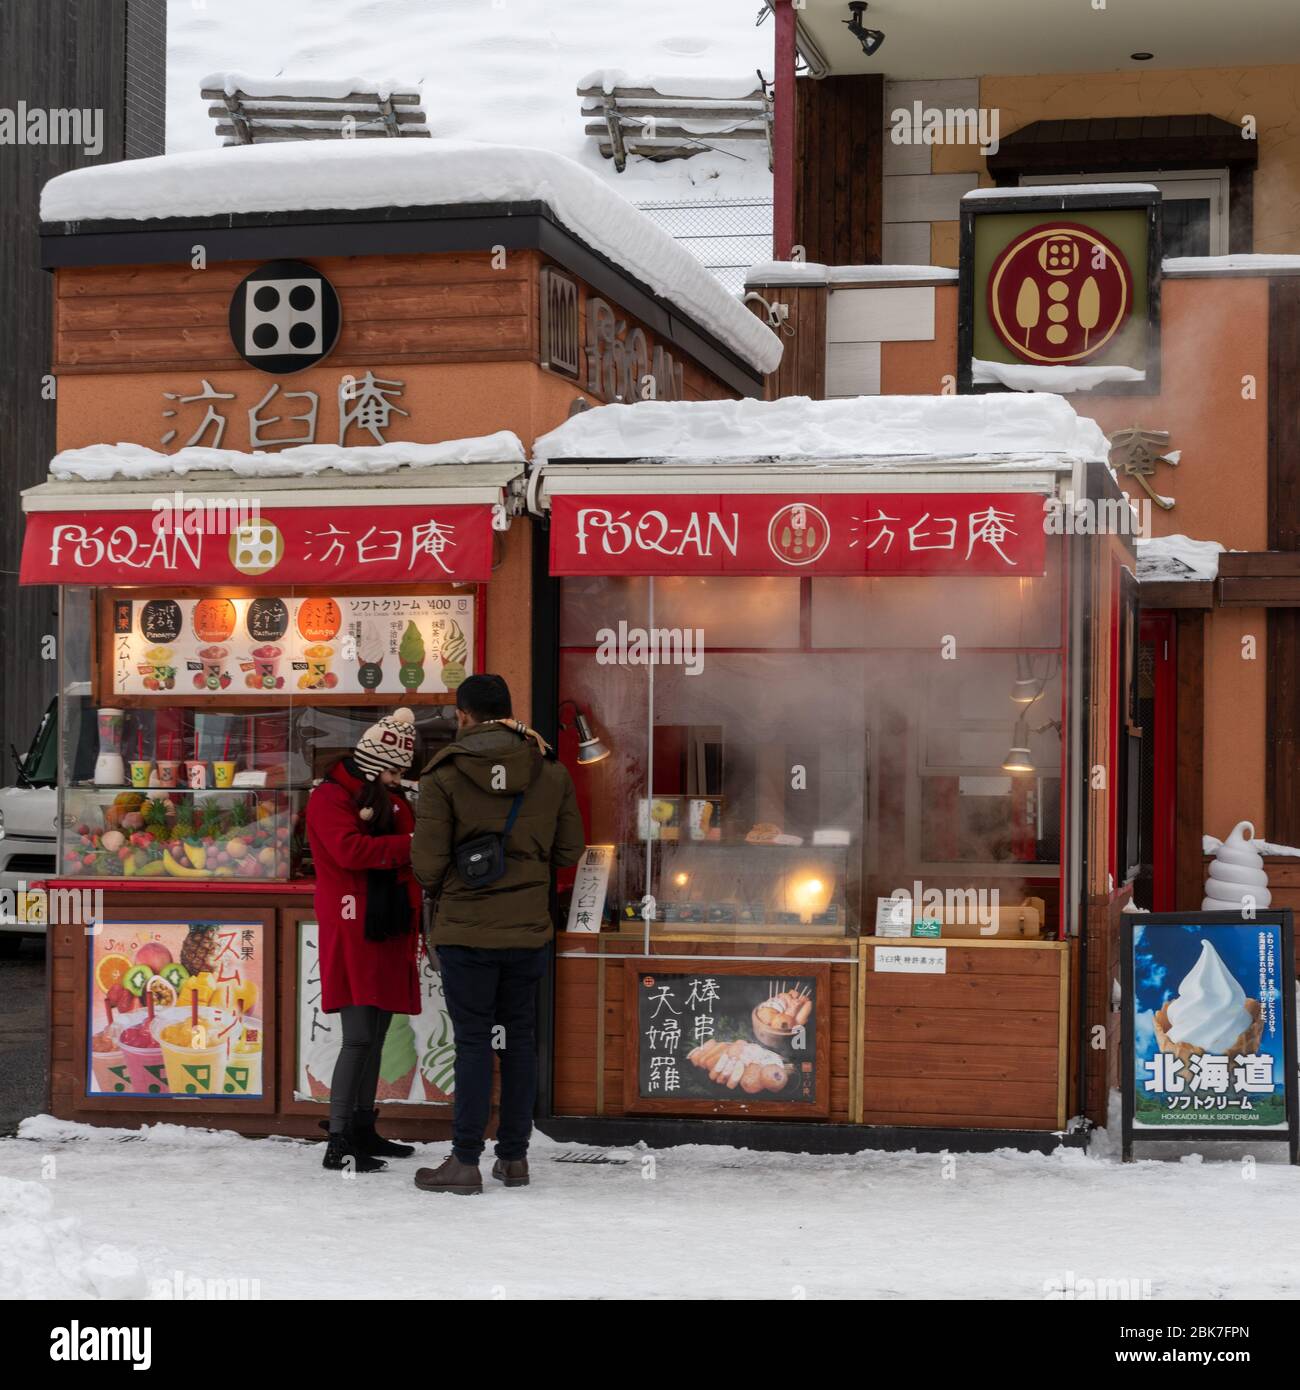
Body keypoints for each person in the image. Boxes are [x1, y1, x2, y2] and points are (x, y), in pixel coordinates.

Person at [411, 674, 584, 1195]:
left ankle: (465, 1162)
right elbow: (570, 851)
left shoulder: (442, 776)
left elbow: (426, 867)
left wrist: (464, 878)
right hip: (528, 930)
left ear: (463, 715)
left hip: (465, 933)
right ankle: (514, 1159)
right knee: (520, 1041)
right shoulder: (549, 771)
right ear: (508, 710)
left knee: (472, 1044)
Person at [305, 707, 422, 1173]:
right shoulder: (330, 798)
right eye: (393, 771)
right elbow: (350, 851)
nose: (399, 780)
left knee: (376, 1034)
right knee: (356, 1037)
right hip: (353, 923)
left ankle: (363, 1127)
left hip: (386, 922)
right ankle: (338, 1140)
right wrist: (414, 843)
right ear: (376, 766)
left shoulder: (384, 798)